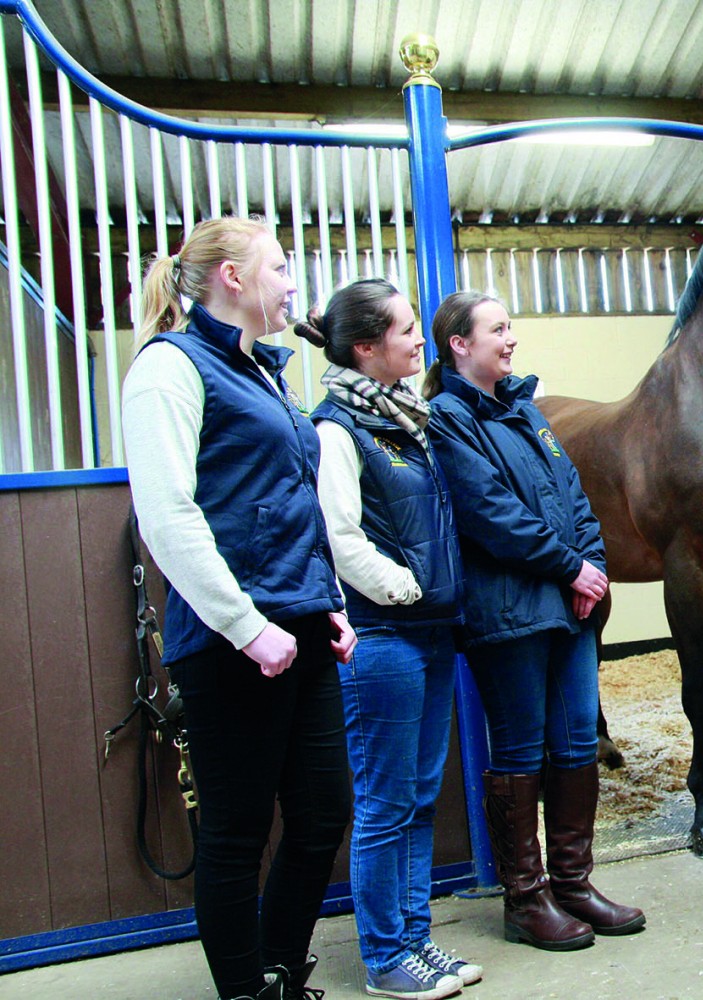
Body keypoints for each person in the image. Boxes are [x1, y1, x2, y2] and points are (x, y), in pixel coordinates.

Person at [121, 217, 354, 1000]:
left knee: (324, 815)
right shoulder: (170, 367)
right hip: (232, 641)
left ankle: (281, 970)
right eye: (281, 268)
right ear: (230, 277)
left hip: (300, 628)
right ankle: (246, 992)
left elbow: (283, 506)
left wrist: (327, 605)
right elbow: (167, 514)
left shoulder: (263, 374)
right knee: (235, 833)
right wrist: (248, 625)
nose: (293, 284)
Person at [423, 291, 645, 951]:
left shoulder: (526, 410)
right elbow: (487, 511)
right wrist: (568, 569)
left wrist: (592, 566)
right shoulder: (447, 418)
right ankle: (526, 899)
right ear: (459, 344)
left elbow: (573, 495)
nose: (511, 338)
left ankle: (574, 885)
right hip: (511, 610)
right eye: (497, 329)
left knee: (577, 743)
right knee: (520, 751)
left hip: (568, 607)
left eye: (510, 326)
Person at [300, 279, 475, 1000]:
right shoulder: (338, 428)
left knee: (420, 795)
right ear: (367, 348)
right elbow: (339, 537)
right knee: (383, 801)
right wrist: (405, 588)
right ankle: (383, 956)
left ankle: (415, 937)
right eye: (405, 328)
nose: (417, 339)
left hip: (430, 634)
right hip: (383, 637)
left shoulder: (406, 418)